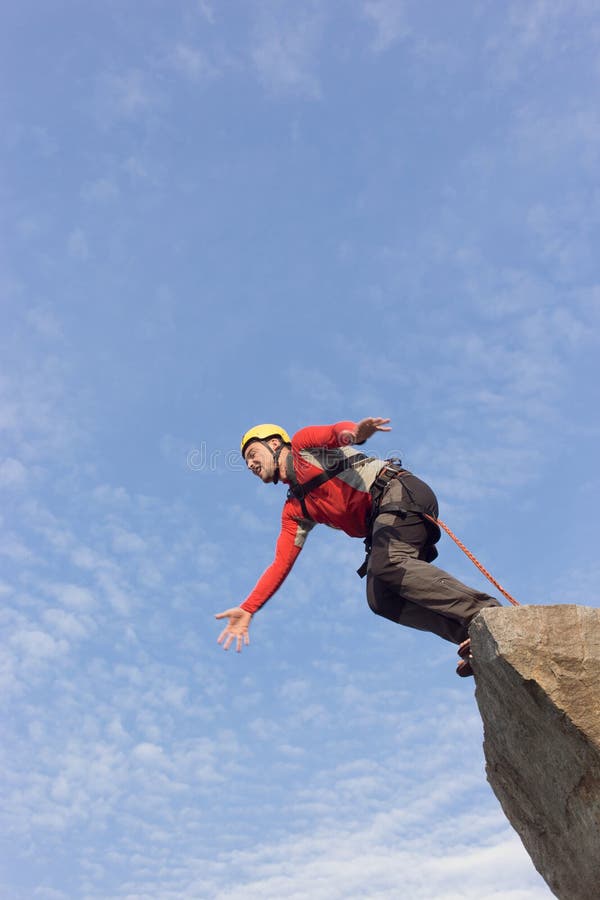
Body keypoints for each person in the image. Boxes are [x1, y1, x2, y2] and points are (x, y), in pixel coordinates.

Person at [215, 418, 501, 675]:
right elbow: (281, 563)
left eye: (253, 455)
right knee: (381, 600)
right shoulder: (294, 509)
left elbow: (334, 433)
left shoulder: (303, 446)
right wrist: (249, 608)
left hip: (399, 493)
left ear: (275, 443)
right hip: (383, 520)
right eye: (246, 463)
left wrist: (356, 433)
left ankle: (485, 613)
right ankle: (472, 633)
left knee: (387, 563)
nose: (250, 465)